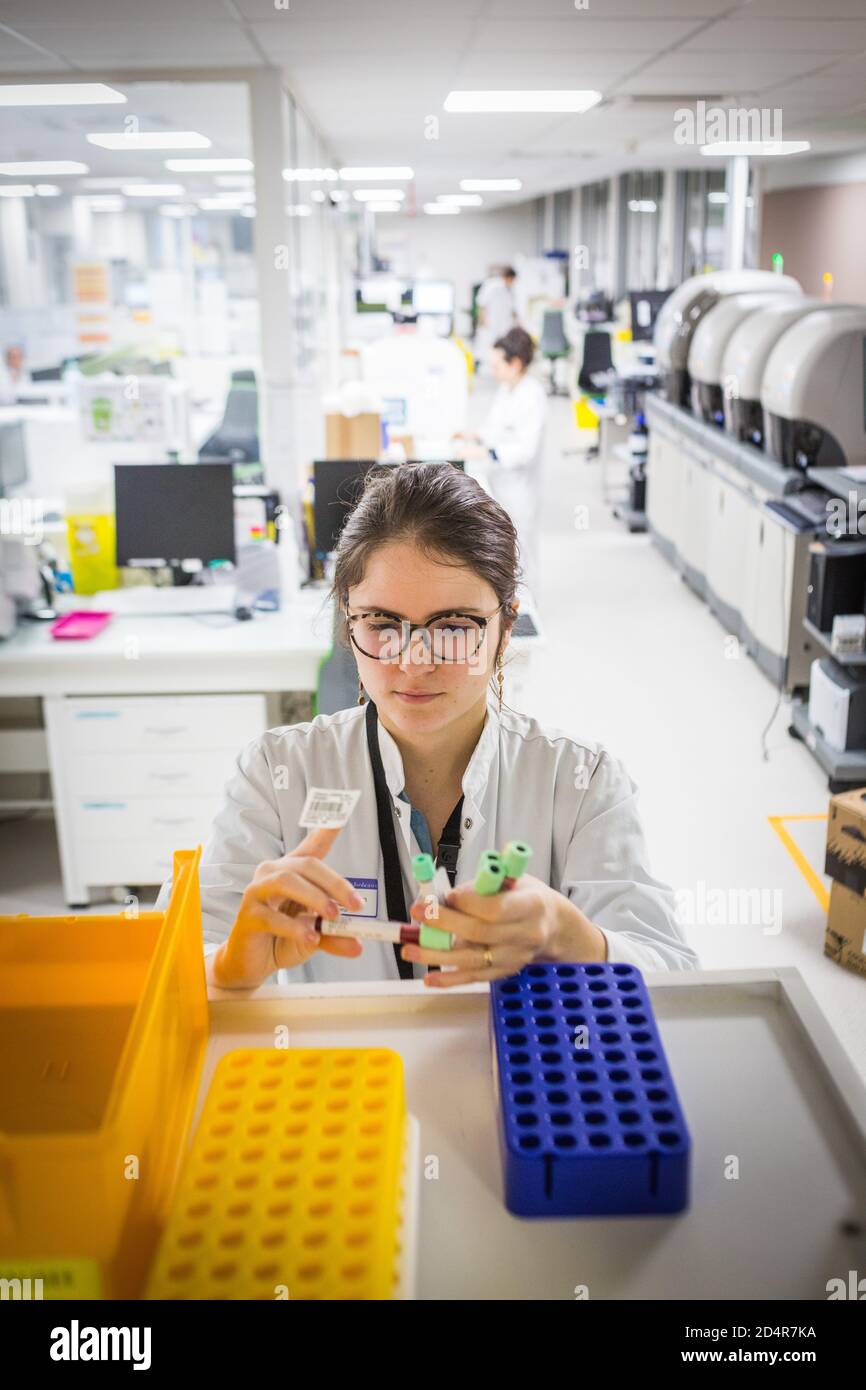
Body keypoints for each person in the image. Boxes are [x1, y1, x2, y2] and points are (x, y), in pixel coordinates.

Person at [158, 463, 697, 991]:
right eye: (382, 623)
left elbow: (677, 978)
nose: (414, 661)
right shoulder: (277, 773)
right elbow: (170, 964)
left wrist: (576, 939)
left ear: (505, 628)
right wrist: (229, 966)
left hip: (522, 1073)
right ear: (349, 622)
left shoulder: (580, 783)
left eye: (455, 627)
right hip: (344, 1075)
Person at [455, 326, 547, 589]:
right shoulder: (507, 389)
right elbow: (495, 427)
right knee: (505, 549)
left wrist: (487, 451)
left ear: (515, 364)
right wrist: (474, 435)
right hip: (500, 482)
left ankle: (529, 609)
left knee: (522, 552)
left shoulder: (532, 395)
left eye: (497, 366)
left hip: (520, 487)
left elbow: (525, 449)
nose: (493, 372)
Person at [475, 265, 516, 365]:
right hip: (490, 323)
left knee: (500, 348)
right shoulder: (492, 285)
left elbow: (511, 308)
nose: (513, 282)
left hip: (502, 325)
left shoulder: (509, 290)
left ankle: (496, 365)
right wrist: (482, 321)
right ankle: (480, 366)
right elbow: (482, 303)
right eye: (512, 279)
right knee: (485, 346)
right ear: (507, 277)